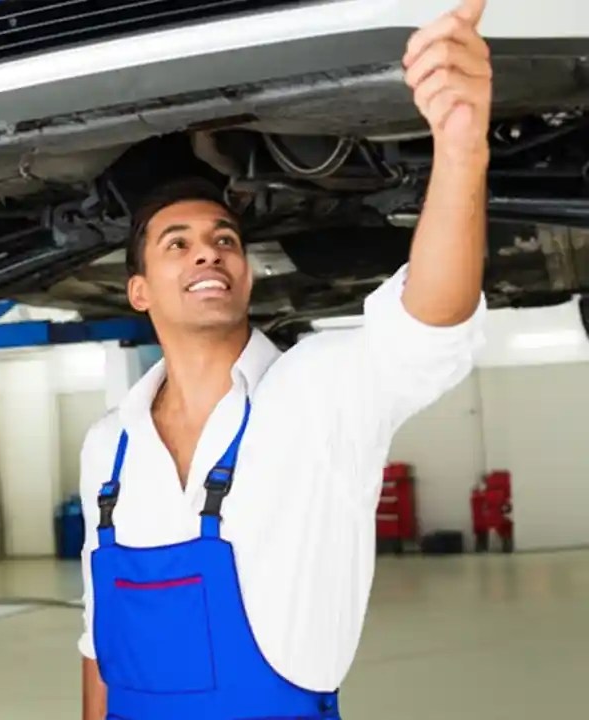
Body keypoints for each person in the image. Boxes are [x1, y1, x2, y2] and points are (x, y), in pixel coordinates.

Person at [78, 1, 494, 718]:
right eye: (176, 242)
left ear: (245, 273)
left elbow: (428, 322)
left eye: (225, 239)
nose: (208, 249)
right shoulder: (108, 448)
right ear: (138, 290)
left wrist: (462, 150)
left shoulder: (318, 392)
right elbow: (97, 644)